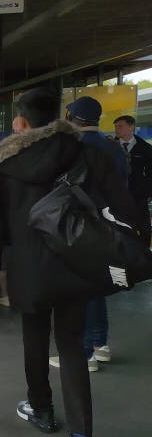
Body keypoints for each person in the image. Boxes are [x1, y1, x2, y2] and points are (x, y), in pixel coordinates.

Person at [0, 87, 139, 437]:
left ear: (20, 122)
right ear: (58, 117)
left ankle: (41, 408)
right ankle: (82, 436)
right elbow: (120, 208)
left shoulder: (4, 163)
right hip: (77, 263)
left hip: (28, 266)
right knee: (71, 345)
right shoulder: (89, 155)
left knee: (34, 340)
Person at [50, 97, 128, 373]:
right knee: (98, 284)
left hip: (80, 226)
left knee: (80, 287)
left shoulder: (72, 147)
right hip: (109, 224)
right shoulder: (114, 148)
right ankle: (100, 344)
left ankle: (84, 353)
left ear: (72, 116)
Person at [114, 115, 152, 246]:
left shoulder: (146, 149)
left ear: (131, 127)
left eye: (120, 126)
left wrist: (145, 192)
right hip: (116, 198)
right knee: (121, 231)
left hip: (138, 199)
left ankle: (145, 261)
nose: (116, 129)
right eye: (116, 126)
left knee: (144, 231)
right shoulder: (110, 147)